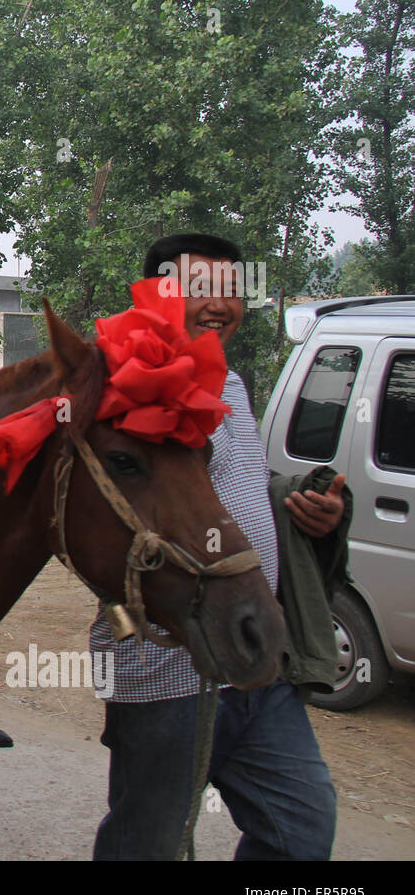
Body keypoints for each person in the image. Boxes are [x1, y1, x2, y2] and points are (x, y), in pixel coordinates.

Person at [90, 233, 346, 860]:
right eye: (199, 290)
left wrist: (307, 510)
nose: (218, 305)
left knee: (302, 833)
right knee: (146, 844)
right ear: (157, 295)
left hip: (259, 655)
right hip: (166, 669)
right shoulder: (121, 387)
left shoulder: (230, 382)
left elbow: (234, 485)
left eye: (230, 291)